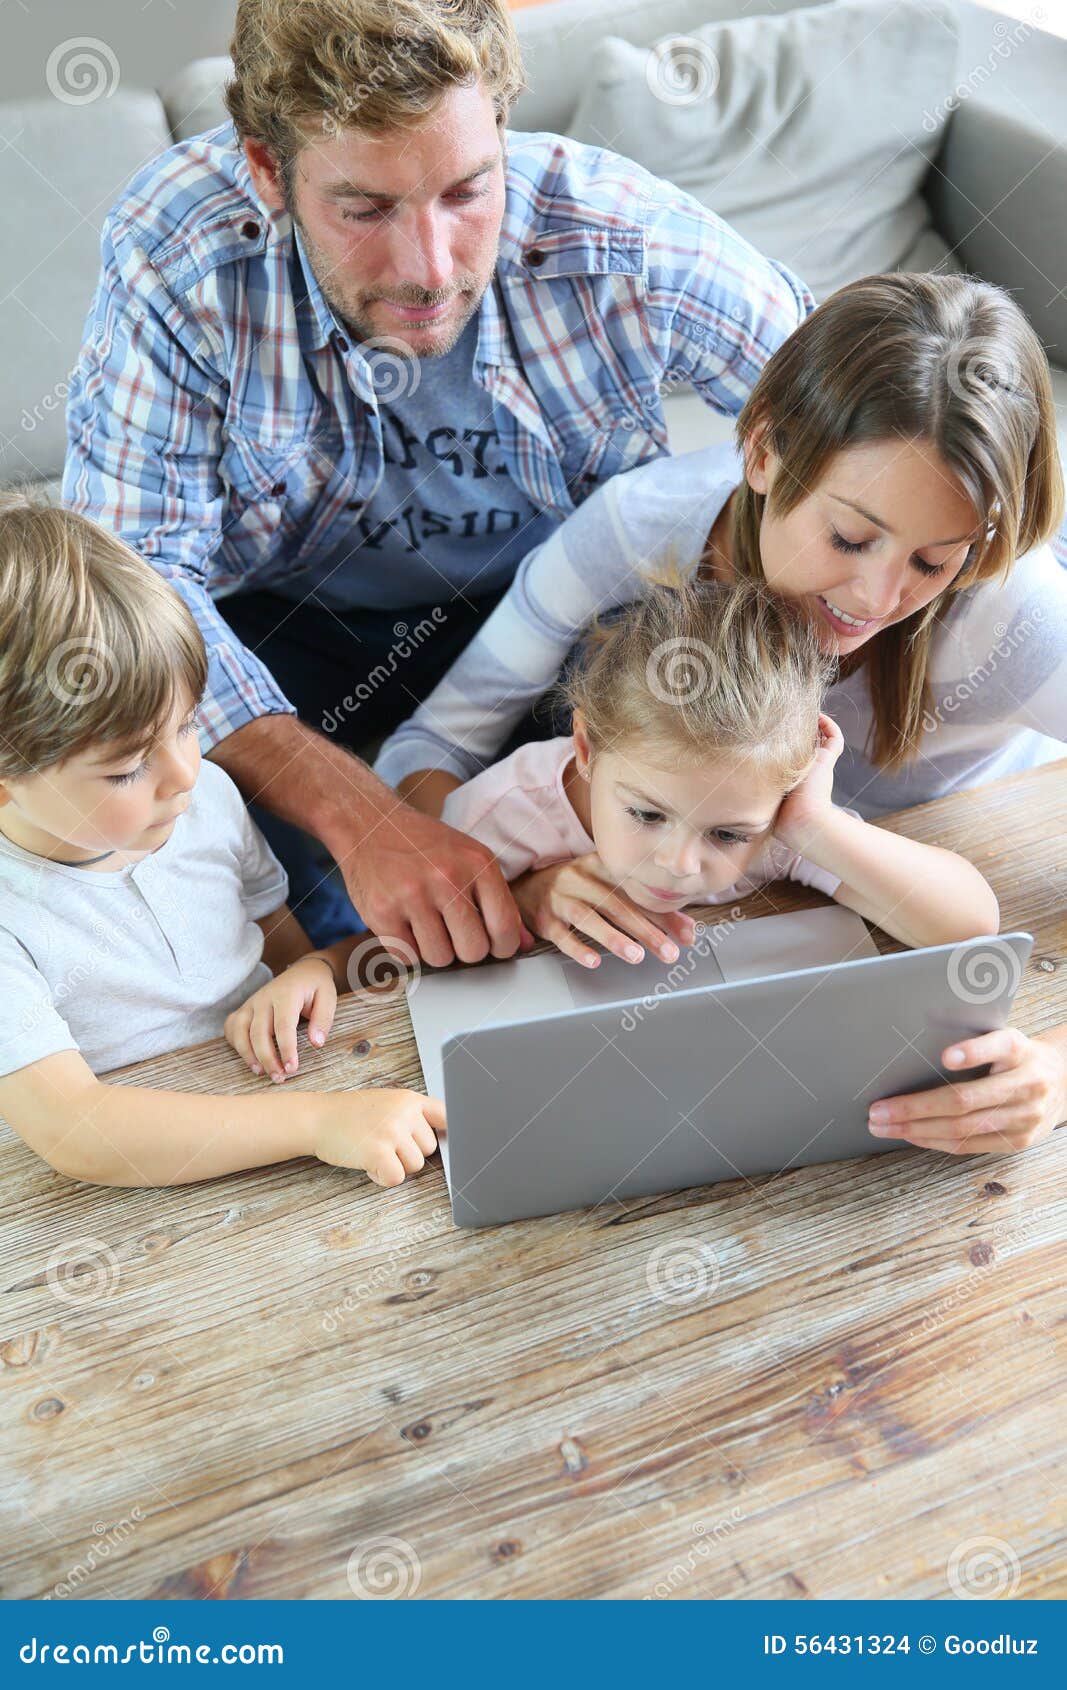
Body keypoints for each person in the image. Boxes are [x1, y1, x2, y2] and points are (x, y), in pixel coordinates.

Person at [62, 0, 814, 960]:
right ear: (267, 171)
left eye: (467, 192)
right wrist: (364, 820)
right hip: (287, 628)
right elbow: (136, 580)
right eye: (364, 208)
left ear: (503, 132)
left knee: (665, 887)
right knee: (272, 933)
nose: (429, 270)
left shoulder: (621, 235)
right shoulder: (181, 253)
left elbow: (865, 414)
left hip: (563, 609)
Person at [380, 271, 1067, 1154]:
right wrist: (520, 888)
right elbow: (427, 749)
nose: (877, 597)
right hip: (696, 949)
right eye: (850, 538)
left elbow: (970, 921)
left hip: (923, 913)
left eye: (933, 562)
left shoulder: (1017, 617)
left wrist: (1054, 1069)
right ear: (762, 454)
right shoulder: (638, 531)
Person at [0, 499, 441, 1189]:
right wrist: (316, 1124)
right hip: (134, 1206)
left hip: (298, 1113)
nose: (185, 774)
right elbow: (74, 1129)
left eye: (186, 726)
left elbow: (281, 950)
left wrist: (312, 975)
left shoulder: (203, 801)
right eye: (126, 767)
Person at [441, 575, 999, 964]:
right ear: (586, 749)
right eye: (645, 813)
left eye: (727, 835)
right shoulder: (504, 810)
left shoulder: (779, 823)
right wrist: (522, 900)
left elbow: (967, 925)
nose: (679, 864)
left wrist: (813, 826)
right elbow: (418, 945)